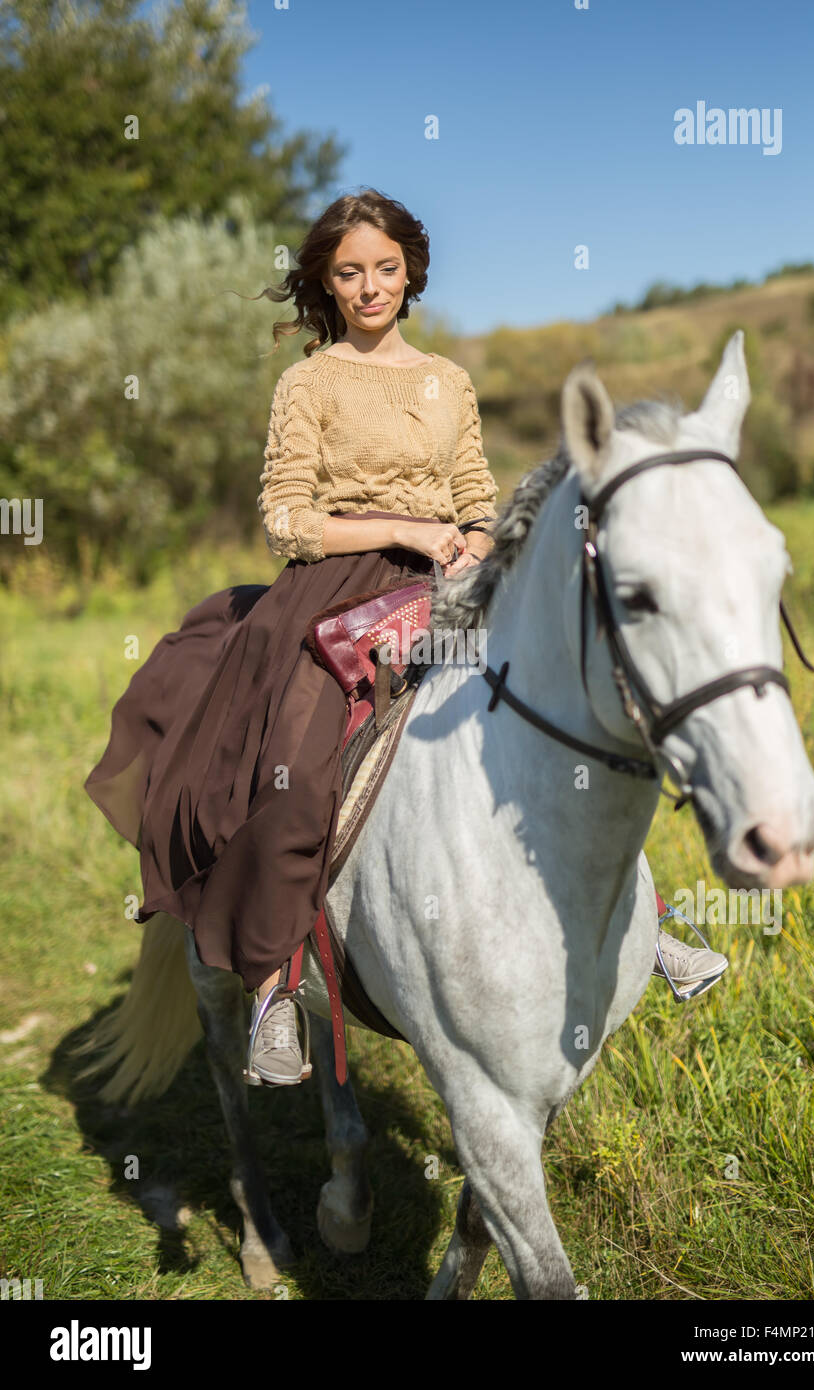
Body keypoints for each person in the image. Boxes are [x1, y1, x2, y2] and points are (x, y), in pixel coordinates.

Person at [84, 188, 726, 1091]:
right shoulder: (308, 382)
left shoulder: (448, 381)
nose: (370, 286)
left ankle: (643, 923)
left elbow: (471, 484)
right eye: (349, 272)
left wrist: (469, 533)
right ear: (327, 283)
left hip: (448, 582)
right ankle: (273, 987)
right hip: (330, 600)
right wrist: (406, 530)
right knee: (296, 767)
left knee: (559, 713)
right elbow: (286, 519)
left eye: (385, 268)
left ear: (410, 271)